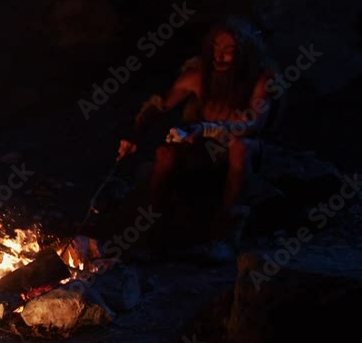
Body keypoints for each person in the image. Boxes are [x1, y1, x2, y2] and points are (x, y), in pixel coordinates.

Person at [117, 16, 278, 260]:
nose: (219, 56)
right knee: (165, 153)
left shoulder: (260, 79)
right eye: (216, 48)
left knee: (239, 148)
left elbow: (253, 123)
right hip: (203, 147)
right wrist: (135, 135)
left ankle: (225, 235)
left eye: (228, 51)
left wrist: (207, 129)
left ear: (244, 53)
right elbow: (161, 106)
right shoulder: (200, 75)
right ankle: (152, 233)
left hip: (244, 146)